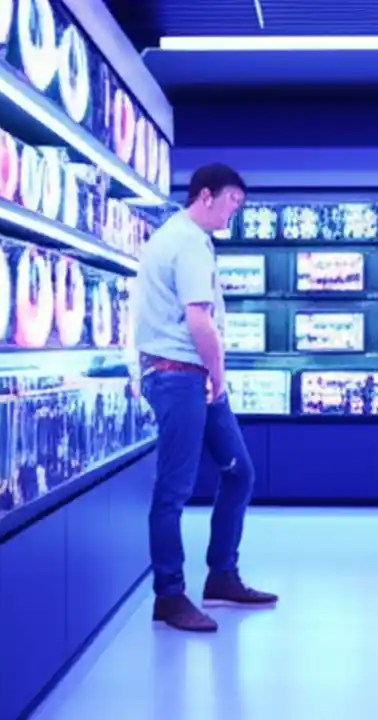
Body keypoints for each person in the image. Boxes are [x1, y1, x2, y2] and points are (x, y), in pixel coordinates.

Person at [134, 163, 278, 632]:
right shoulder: (189, 242)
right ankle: (170, 596)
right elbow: (200, 322)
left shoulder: (180, 238)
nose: (234, 213)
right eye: (233, 202)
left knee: (239, 473)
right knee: (173, 490)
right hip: (181, 376)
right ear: (206, 195)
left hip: (190, 377)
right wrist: (219, 376)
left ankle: (221, 575)